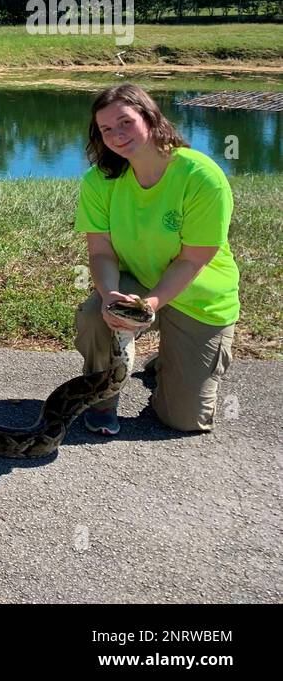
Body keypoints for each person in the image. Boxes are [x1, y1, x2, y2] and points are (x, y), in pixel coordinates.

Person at [73, 83, 239, 436]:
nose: (116, 135)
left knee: (183, 420)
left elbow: (193, 260)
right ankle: (101, 400)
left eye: (125, 122)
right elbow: (101, 252)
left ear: (150, 117)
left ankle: (166, 362)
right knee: (94, 317)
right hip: (138, 282)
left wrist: (150, 305)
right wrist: (108, 296)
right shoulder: (100, 181)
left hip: (199, 297)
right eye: (106, 129)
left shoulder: (201, 177)